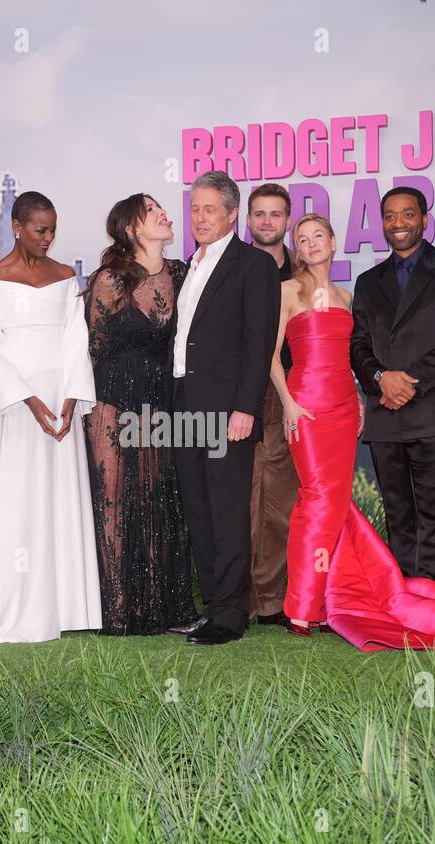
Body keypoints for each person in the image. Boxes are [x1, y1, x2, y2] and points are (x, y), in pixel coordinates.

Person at [271, 214, 435, 650]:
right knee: (317, 498)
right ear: (297, 248)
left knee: (334, 501)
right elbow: (270, 355)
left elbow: (354, 356)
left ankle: (335, 594)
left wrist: (358, 401)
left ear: (334, 243)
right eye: (303, 239)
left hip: (346, 409)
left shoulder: (346, 296)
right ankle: (302, 605)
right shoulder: (286, 292)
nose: (311, 244)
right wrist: (289, 404)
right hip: (306, 407)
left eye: (319, 236)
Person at [0, 191, 101, 643]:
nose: (48, 238)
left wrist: (67, 400)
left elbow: (74, 340)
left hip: (60, 400)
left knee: (59, 498)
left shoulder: (65, 277)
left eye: (53, 229)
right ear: (17, 227)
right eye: (40, 229)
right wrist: (32, 402)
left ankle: (65, 606)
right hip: (18, 407)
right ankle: (16, 607)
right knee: (19, 501)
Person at [167, 171, 280, 645]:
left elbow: (258, 344)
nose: (200, 217)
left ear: (233, 214)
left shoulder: (253, 266)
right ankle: (213, 606)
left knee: (228, 509)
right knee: (199, 509)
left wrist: (245, 408)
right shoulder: (190, 264)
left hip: (226, 409)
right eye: (195, 209)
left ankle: (231, 616)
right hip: (184, 406)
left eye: (210, 208)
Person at [350, 186, 435, 584]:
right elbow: (357, 345)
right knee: (397, 515)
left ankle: (429, 599)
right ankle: (402, 597)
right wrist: (380, 380)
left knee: (434, 516)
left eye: (408, 214)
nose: (398, 224)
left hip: (434, 412)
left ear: (424, 219)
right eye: (390, 216)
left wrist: (408, 383)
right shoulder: (369, 281)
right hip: (385, 414)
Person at [83, 193, 197, 634]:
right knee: (114, 500)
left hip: (162, 399)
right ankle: (118, 610)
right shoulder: (111, 280)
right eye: (153, 210)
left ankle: (162, 609)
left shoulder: (183, 274)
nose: (165, 214)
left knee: (159, 498)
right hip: (112, 399)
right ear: (132, 227)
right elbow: (92, 350)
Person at [244, 183, 300, 626]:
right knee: (240, 500)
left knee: (281, 502)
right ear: (247, 219)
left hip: (288, 397)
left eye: (275, 214)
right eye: (259, 214)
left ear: (288, 220)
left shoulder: (304, 275)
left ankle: (274, 599)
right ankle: (237, 596)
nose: (267, 222)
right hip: (238, 398)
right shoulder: (233, 268)